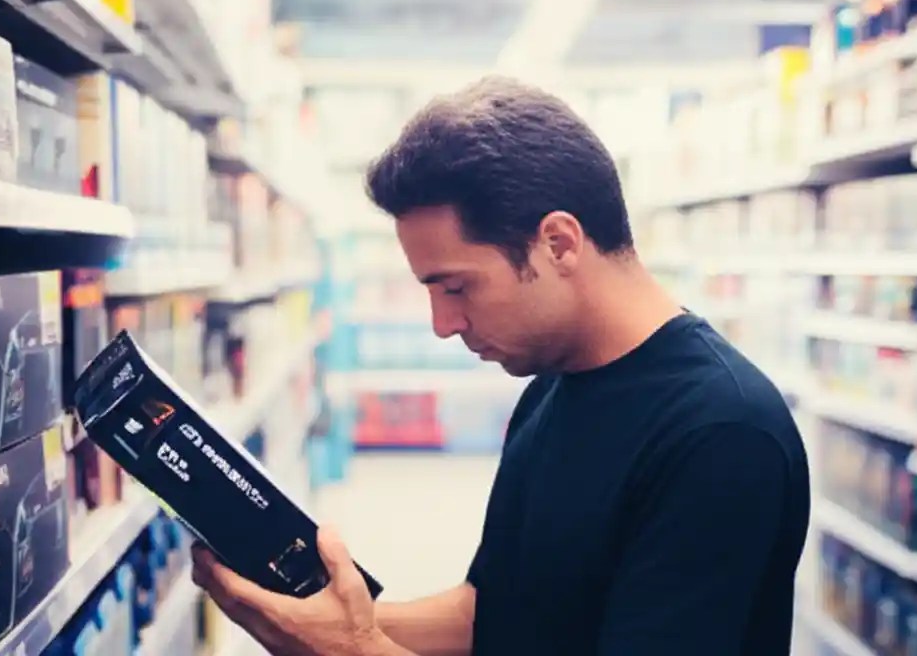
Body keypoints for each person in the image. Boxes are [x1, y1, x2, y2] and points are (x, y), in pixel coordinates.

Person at [191, 76, 811, 655]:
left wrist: (356, 649)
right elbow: (496, 610)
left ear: (559, 244)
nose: (443, 324)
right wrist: (327, 618)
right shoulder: (552, 385)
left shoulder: (723, 435)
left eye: (456, 288)